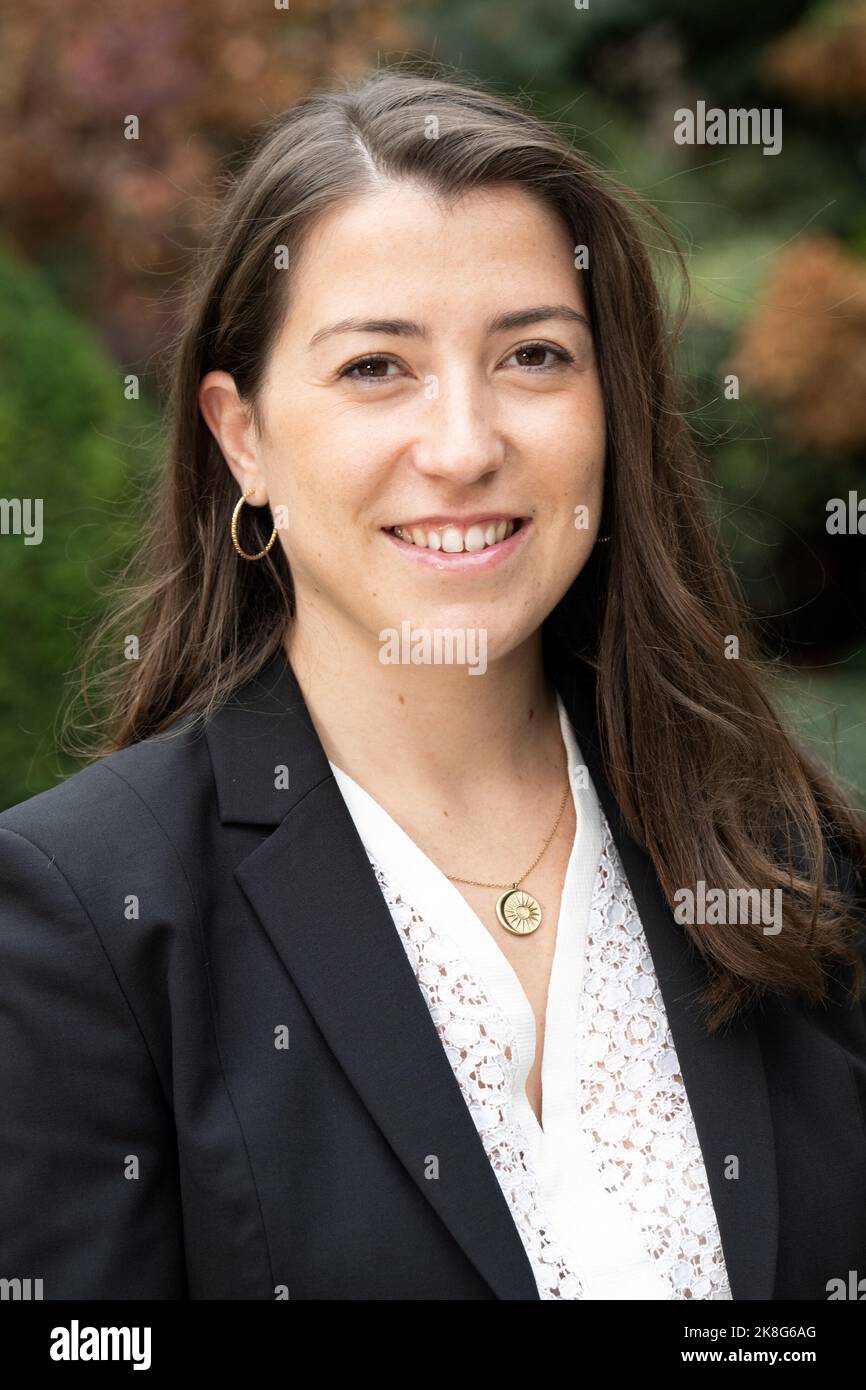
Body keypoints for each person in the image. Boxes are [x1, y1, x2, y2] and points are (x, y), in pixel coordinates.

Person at [1, 65, 865, 1302]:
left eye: (531, 354)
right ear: (242, 436)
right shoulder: (89, 920)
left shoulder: (789, 864)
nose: (462, 446)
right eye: (375, 368)